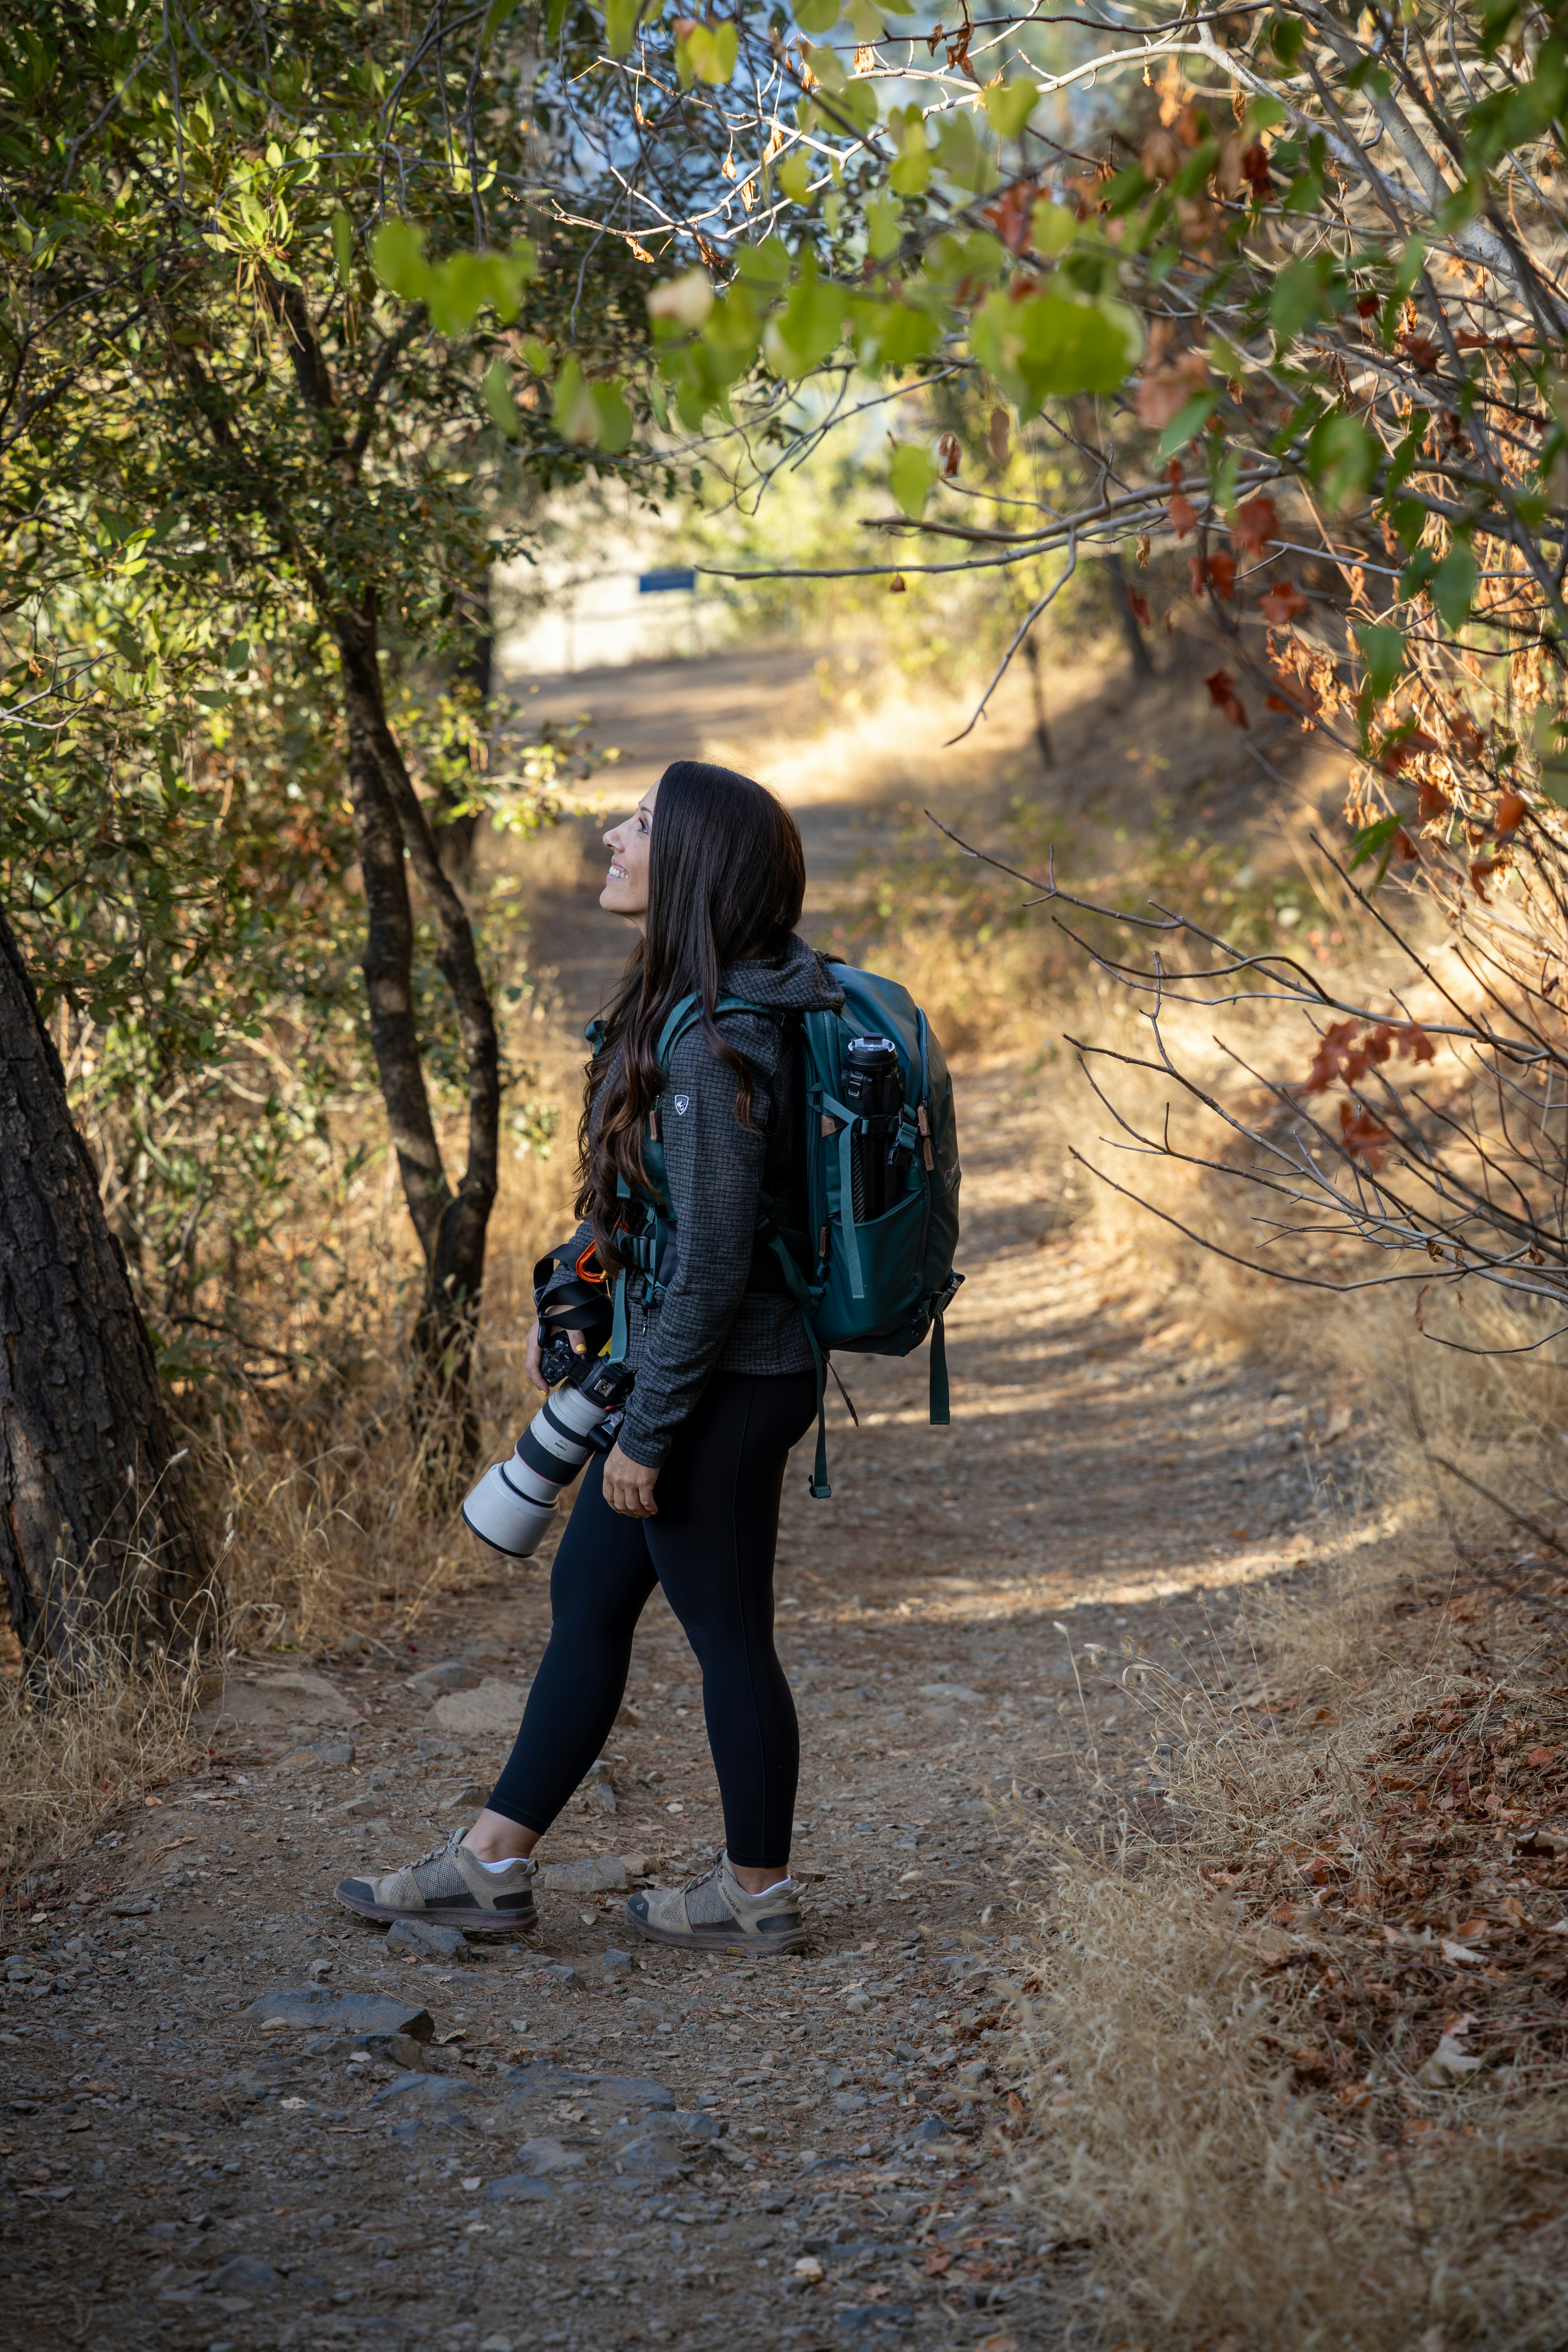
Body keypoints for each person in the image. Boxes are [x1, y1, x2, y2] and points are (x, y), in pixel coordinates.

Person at [335, 760, 844, 1955]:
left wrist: (648, 1433)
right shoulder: (702, 1006)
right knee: (589, 1598)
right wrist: (584, 1280)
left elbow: (717, 1259)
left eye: (640, 824)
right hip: (702, 1370)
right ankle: (492, 1863)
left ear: (696, 867)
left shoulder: (720, 1044)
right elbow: (664, 1214)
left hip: (720, 1385)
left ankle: (757, 1895)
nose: (613, 838)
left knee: (729, 1636)